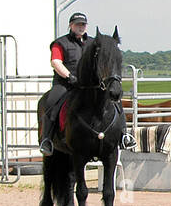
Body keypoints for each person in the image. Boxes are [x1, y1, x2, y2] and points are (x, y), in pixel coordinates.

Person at [39, 12, 136, 154]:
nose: (81, 27)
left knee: (115, 99)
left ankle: (124, 135)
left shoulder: (93, 42)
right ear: (70, 25)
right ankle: (47, 139)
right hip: (66, 83)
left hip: (90, 84)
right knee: (51, 102)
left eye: (83, 24)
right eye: (77, 24)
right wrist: (69, 76)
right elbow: (56, 62)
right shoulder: (60, 43)